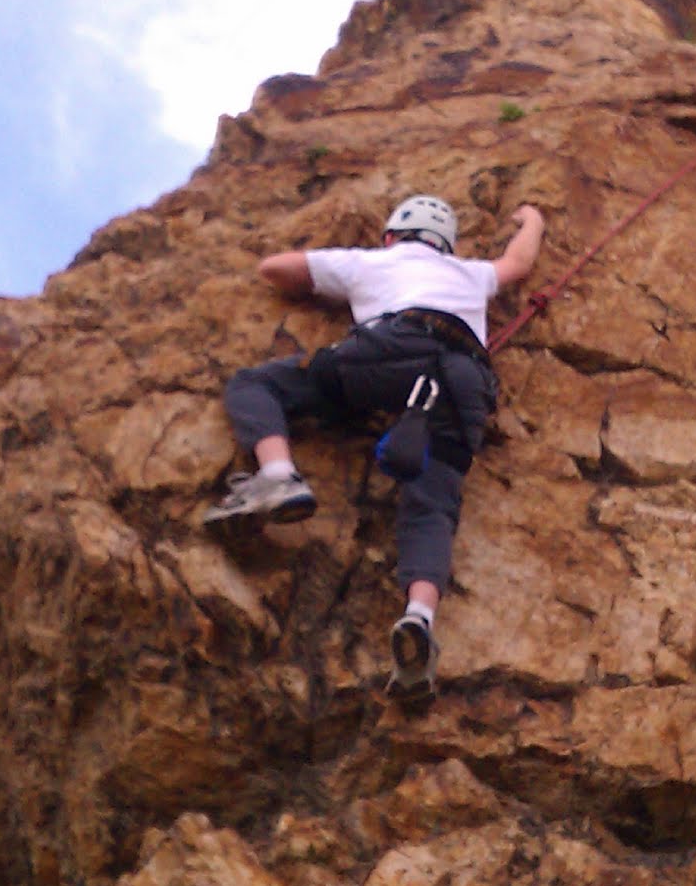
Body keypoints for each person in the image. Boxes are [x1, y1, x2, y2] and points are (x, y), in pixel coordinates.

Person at [204, 195, 545, 698]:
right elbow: (518, 263)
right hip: (464, 380)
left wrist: (332, 283)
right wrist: (533, 219)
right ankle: (419, 618)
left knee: (256, 386)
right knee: (434, 504)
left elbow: (275, 269)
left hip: (390, 352)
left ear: (391, 236)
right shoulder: (470, 274)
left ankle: (277, 475)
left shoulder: (372, 261)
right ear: (445, 245)